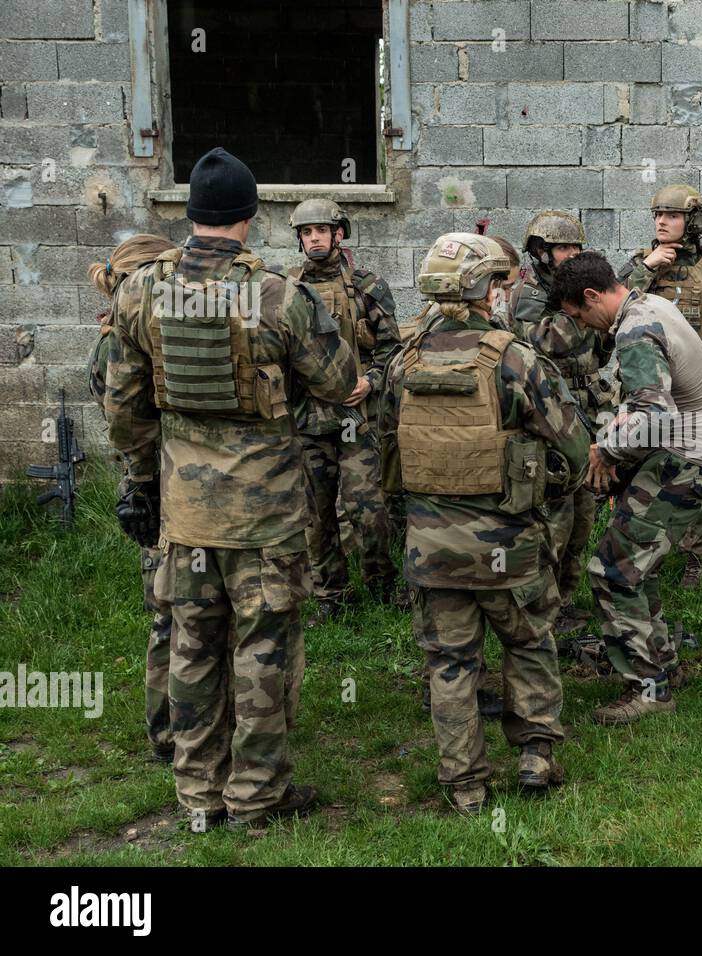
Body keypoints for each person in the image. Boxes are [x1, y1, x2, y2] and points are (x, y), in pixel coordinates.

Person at [104, 147, 357, 829]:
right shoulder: (276, 294)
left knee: (191, 647)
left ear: (190, 216)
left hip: (185, 513)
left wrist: (143, 479)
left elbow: (125, 406)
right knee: (262, 652)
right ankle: (255, 797)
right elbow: (340, 381)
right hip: (267, 516)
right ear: (250, 216)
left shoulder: (140, 291)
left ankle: (197, 799)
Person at [379, 233, 589, 814]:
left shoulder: (403, 363)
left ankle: (464, 783)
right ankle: (536, 755)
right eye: (499, 283)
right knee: (528, 643)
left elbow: (385, 449)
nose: (504, 293)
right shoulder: (515, 359)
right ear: (484, 290)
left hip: (431, 549)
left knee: (450, 664)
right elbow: (573, 448)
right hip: (509, 546)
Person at [549, 251, 702, 725]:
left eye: (579, 315)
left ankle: (650, 689)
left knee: (613, 571)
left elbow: (654, 414)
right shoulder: (650, 306)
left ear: (592, 296)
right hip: (687, 458)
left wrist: (607, 451)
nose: (583, 326)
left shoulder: (635, 329)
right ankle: (661, 664)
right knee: (632, 567)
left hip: (683, 465)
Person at [618, 185, 702, 589]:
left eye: (671, 216)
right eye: (658, 214)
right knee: (642, 469)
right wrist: (648, 267)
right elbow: (612, 302)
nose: (661, 222)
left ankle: (696, 559)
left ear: (692, 222)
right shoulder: (641, 264)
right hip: (649, 386)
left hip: (698, 386)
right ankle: (643, 551)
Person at [287, 199, 402, 624]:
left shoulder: (369, 285)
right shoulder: (287, 289)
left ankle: (382, 584)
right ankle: (331, 594)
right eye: (306, 233)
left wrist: (370, 380)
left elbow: (393, 349)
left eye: (321, 231)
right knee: (316, 517)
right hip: (309, 422)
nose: (313, 238)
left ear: (339, 234)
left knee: (367, 508)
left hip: (356, 420)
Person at [87, 233, 178, 762]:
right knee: (169, 613)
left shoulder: (127, 337)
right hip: (157, 488)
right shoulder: (118, 345)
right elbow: (133, 423)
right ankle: (167, 732)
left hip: (159, 485)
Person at [514, 212, 614, 633]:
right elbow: (553, 341)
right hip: (549, 420)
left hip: (585, 417)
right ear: (540, 252)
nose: (570, 255)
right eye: (562, 249)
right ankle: (539, 607)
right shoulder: (529, 297)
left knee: (582, 517)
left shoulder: (575, 296)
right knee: (552, 520)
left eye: (576, 248)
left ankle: (566, 600)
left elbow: (599, 349)